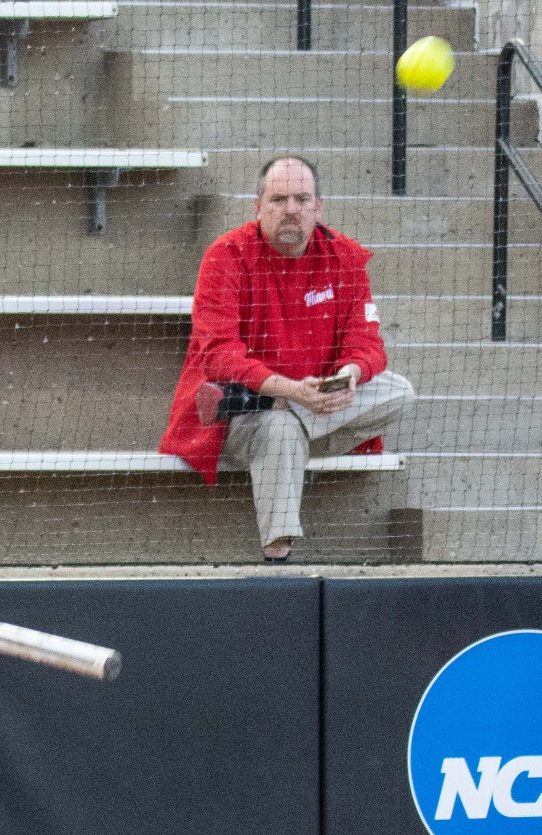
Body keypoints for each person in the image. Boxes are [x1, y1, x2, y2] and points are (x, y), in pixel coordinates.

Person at [160, 155, 415, 560]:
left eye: (302, 198)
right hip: (240, 418)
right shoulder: (225, 256)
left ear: (319, 206)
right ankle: (278, 557)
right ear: (258, 206)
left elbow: (367, 344)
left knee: (399, 390)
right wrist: (290, 391)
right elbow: (219, 356)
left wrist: (350, 374)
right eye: (279, 199)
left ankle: (290, 418)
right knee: (279, 426)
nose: (291, 209)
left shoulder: (345, 257)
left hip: (315, 404)